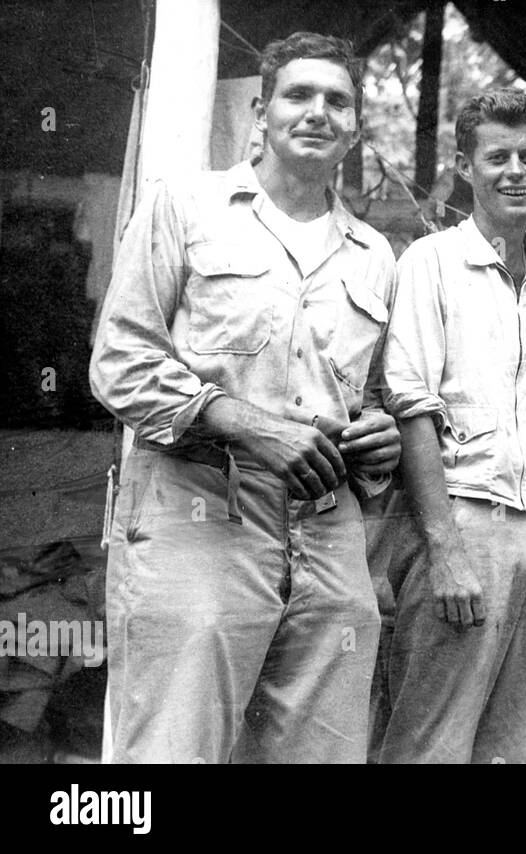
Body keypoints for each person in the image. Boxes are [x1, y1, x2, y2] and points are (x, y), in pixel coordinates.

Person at [89, 31, 400, 763]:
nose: (318, 112)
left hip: (327, 533)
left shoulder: (375, 255)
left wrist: (378, 437)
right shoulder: (187, 207)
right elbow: (120, 361)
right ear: (261, 112)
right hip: (198, 512)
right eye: (299, 95)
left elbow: (375, 397)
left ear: (355, 126)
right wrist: (246, 423)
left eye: (338, 100)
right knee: (175, 752)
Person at [379, 90, 526, 764]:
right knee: (431, 741)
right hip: (463, 527)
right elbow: (410, 406)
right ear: (464, 167)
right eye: (496, 157)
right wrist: (444, 549)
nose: (515, 172)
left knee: (507, 748)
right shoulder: (430, 263)